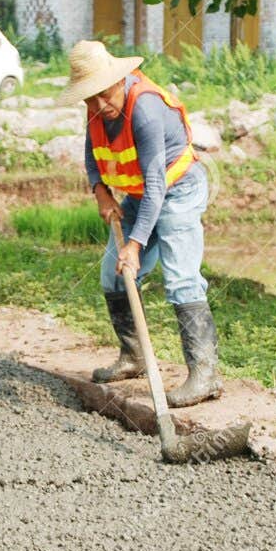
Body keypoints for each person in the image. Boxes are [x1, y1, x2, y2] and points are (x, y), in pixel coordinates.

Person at [60, 40, 223, 406]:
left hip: (177, 188)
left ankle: (206, 375)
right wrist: (100, 192)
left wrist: (134, 245)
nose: (99, 105)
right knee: (114, 274)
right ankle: (134, 357)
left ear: (119, 80)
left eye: (104, 94)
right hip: (139, 194)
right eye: (90, 98)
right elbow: (92, 154)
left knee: (181, 278)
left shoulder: (145, 109)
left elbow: (156, 184)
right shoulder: (98, 111)